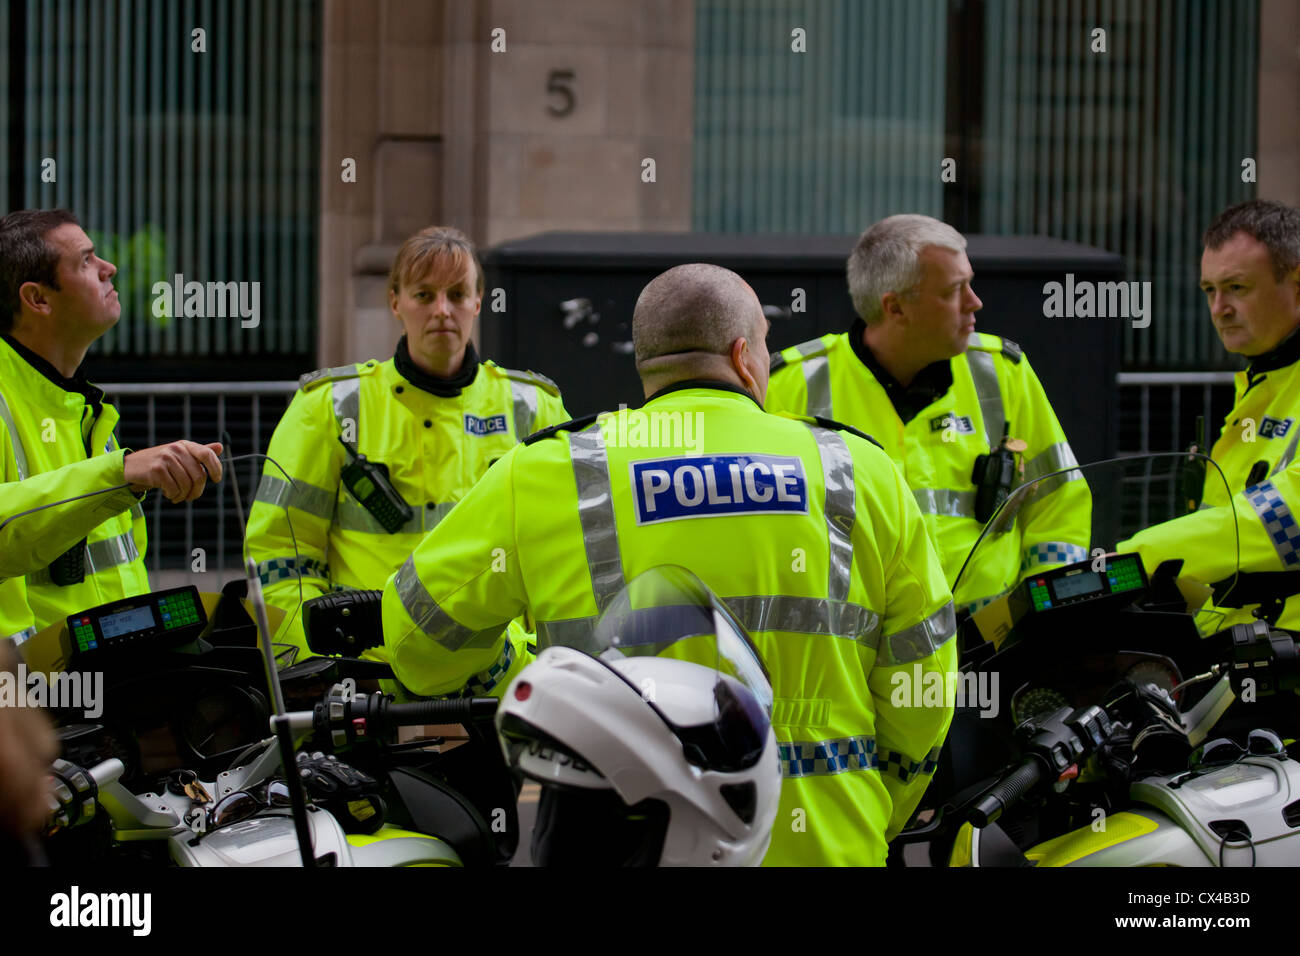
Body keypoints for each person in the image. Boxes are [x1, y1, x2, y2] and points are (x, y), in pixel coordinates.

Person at [381, 262, 957, 866]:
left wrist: (524, 673)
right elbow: (925, 677)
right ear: (743, 356)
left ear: (648, 364)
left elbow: (419, 643)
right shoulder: (861, 470)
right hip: (828, 847)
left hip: (624, 847)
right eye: (766, 345)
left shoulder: (549, 472)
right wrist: (876, 804)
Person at [244, 226, 570, 668]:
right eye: (424, 295)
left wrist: (535, 660)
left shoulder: (533, 407)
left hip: (495, 669)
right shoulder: (329, 406)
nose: (442, 311)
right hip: (364, 666)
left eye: (457, 295)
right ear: (395, 301)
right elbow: (280, 552)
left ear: (479, 301)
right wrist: (314, 654)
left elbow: (565, 549)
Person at [765, 214, 1092, 611]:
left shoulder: (1003, 372)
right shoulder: (788, 385)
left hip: (992, 644)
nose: (975, 302)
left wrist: (1046, 612)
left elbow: (1059, 503)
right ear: (896, 308)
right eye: (955, 290)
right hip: (856, 649)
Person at [0, 209, 223, 646]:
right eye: (86, 261)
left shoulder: (81, 408)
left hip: (107, 690)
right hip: (29, 701)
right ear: (38, 299)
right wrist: (120, 473)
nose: (109, 268)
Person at [1121, 200, 1300, 631]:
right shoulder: (1261, 385)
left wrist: (1136, 560)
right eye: (1209, 290)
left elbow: (1286, 520)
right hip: (1235, 653)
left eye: (1237, 288)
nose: (1218, 308)